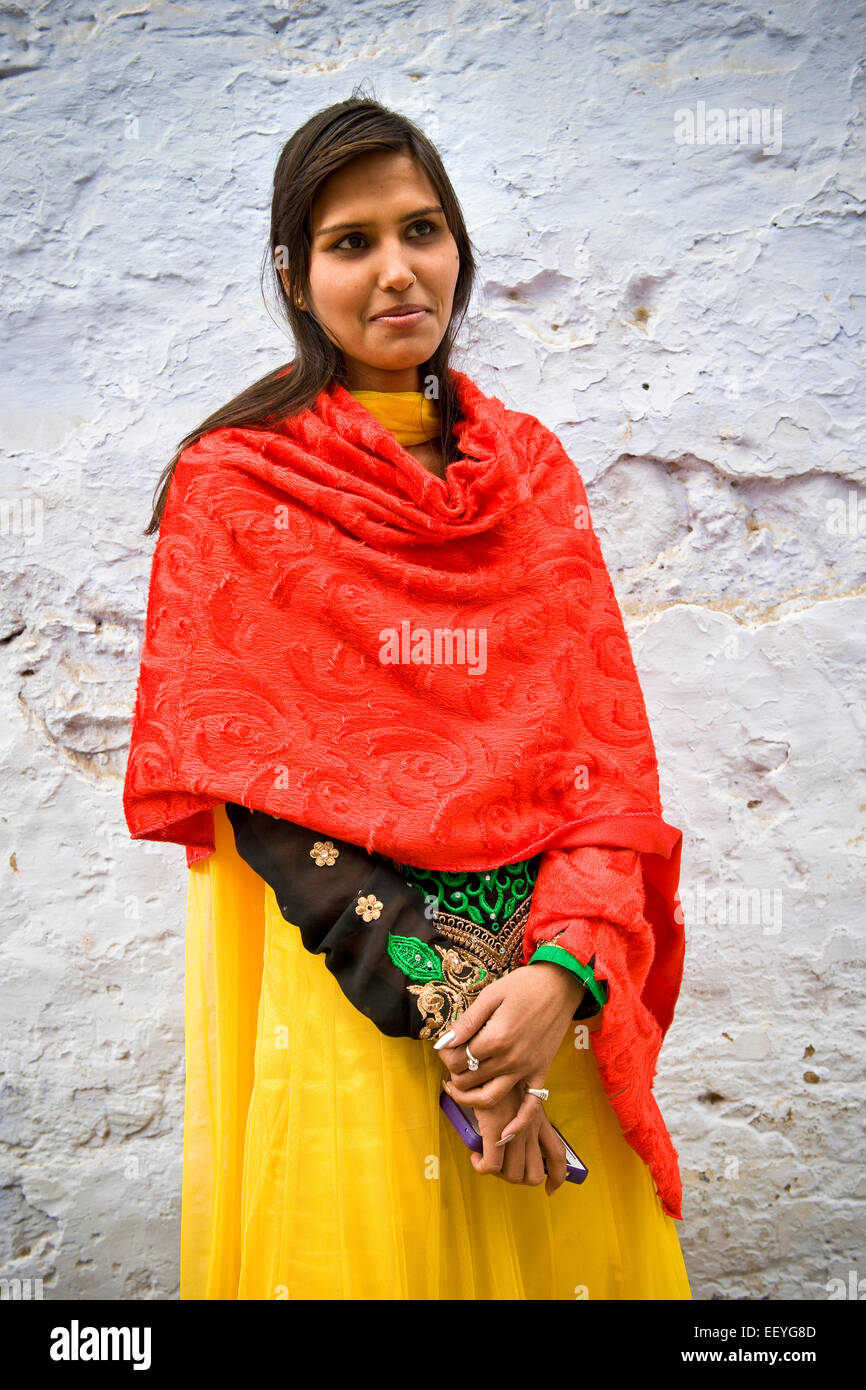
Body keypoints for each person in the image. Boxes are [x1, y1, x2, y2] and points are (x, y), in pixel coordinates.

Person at [123, 93, 692, 1300]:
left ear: (458, 248)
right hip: (365, 999)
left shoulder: (530, 474)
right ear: (293, 273)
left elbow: (606, 764)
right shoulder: (236, 486)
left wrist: (563, 977)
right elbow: (253, 793)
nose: (397, 271)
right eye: (351, 242)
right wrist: (459, 1021)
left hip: (547, 994)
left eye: (421, 230)